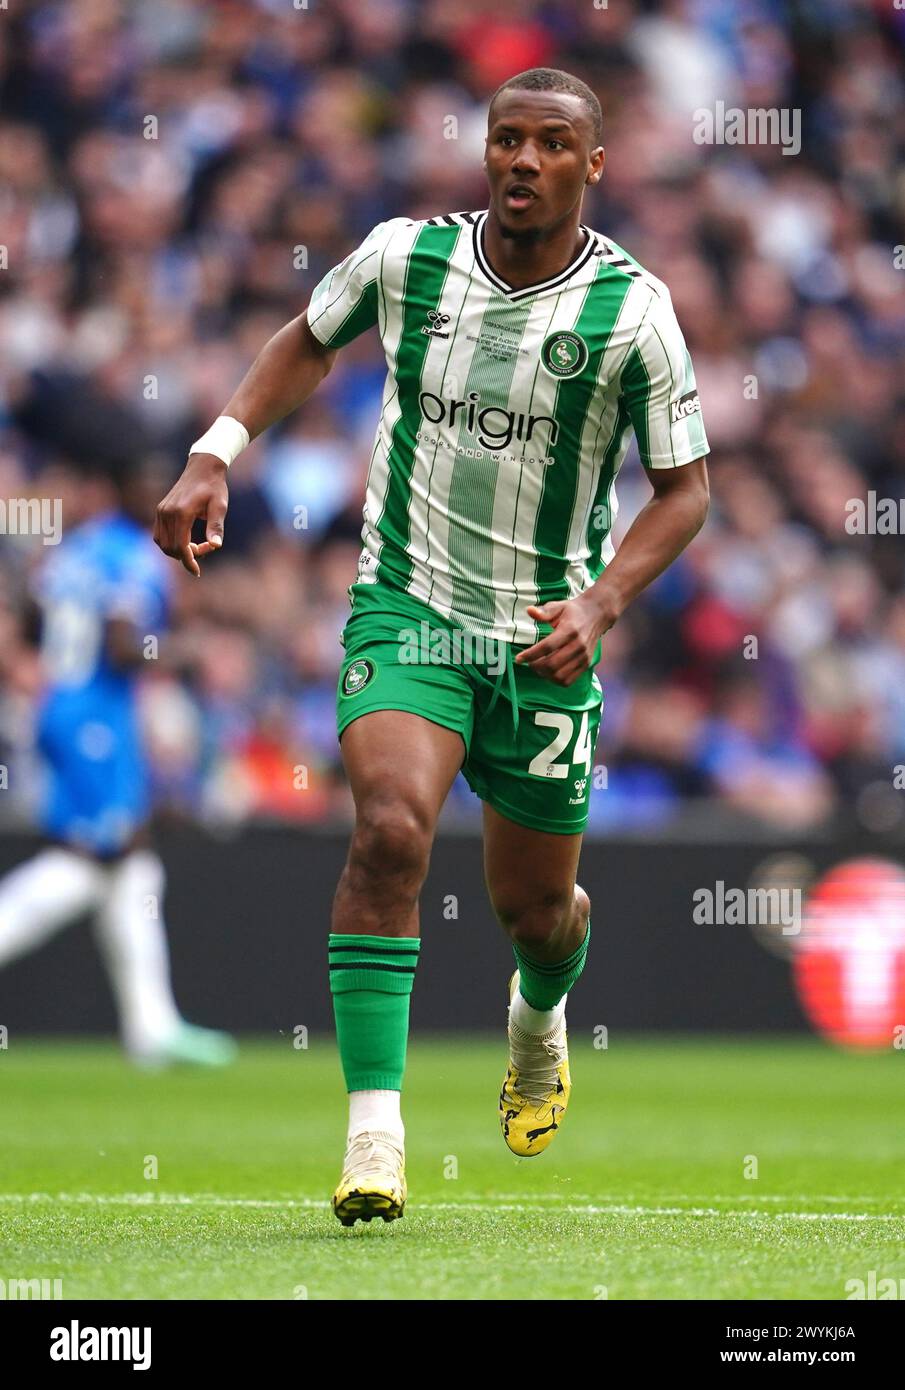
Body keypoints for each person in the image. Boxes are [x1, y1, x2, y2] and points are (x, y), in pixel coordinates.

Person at [153, 68, 710, 1224]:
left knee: (537, 915)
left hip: (545, 641)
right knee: (390, 831)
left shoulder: (634, 311)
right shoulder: (407, 256)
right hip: (406, 605)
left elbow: (683, 492)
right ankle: (373, 1139)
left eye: (549, 145)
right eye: (505, 139)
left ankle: (537, 1019)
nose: (519, 161)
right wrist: (215, 447)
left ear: (590, 166)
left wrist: (601, 604)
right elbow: (306, 340)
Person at [0, 462, 236, 1069]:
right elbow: (123, 643)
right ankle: (152, 1028)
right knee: (93, 857)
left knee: (132, 863)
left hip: (68, 708)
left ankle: (152, 1027)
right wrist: (190, 651)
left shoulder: (75, 549)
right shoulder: (131, 555)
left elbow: (30, 619)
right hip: (95, 721)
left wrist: (40, 671)